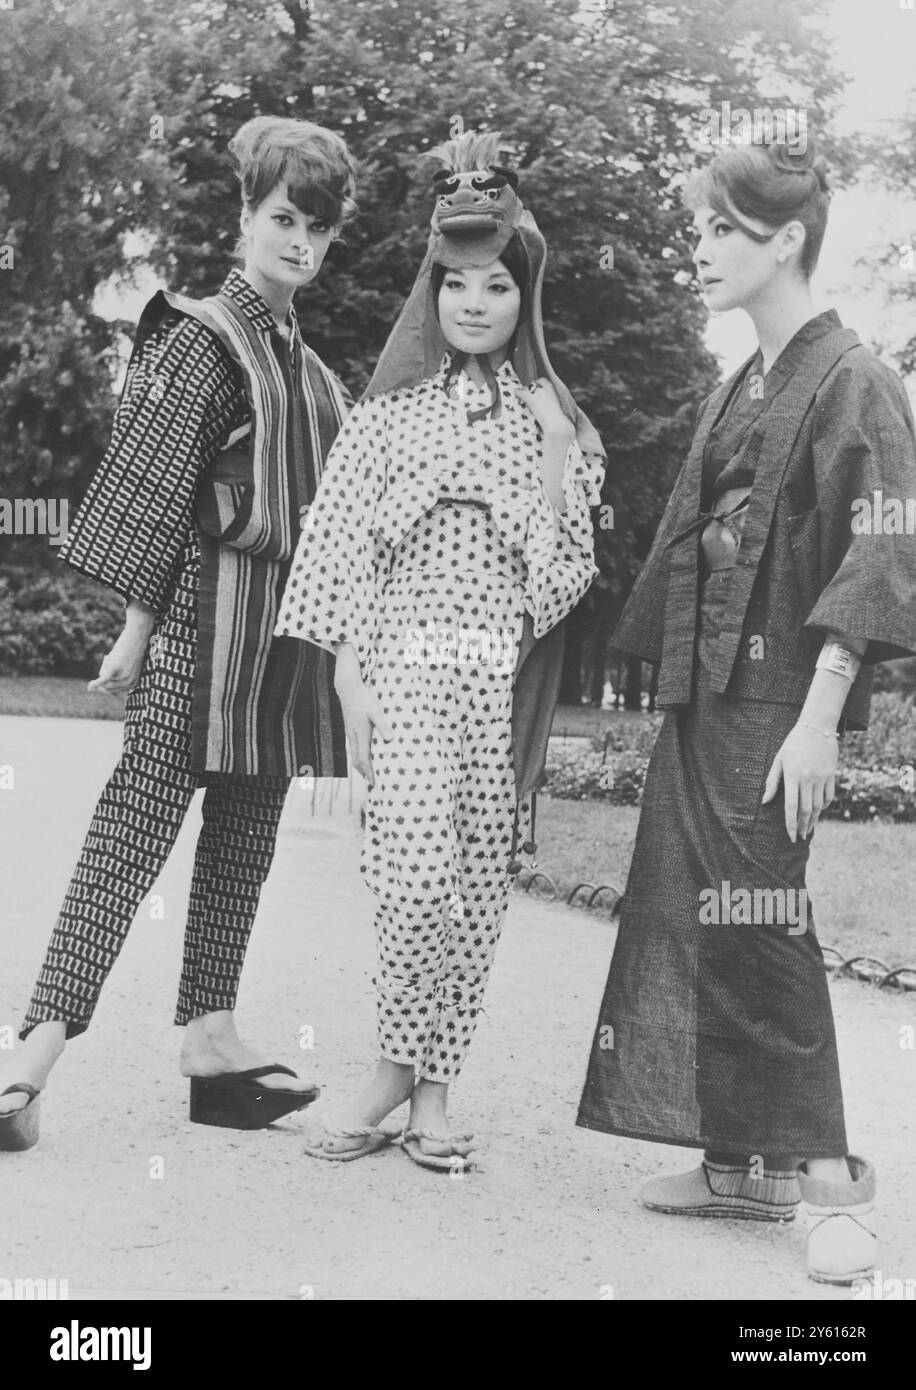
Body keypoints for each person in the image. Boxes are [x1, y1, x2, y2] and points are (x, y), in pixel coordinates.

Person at [576, 137, 916, 1284]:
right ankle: (738, 1165)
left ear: (786, 240)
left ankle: (828, 1184)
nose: (701, 248)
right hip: (707, 694)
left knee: (761, 920)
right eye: (699, 226)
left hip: (779, 700)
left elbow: (880, 545)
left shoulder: (854, 375)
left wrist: (818, 719)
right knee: (697, 914)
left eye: (721, 227)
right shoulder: (742, 381)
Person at [0, 116, 357, 1150]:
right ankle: (30, 1059)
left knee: (244, 839)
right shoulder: (201, 336)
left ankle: (210, 1041)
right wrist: (136, 627)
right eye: (284, 218)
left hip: (282, 640)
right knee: (132, 830)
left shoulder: (316, 374)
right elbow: (158, 490)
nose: (300, 242)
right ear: (247, 215)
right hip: (202, 620)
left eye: (318, 228)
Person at [275, 131, 605, 1170]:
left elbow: (559, 583)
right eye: (456, 282)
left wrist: (556, 452)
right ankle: (388, 1068)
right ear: (432, 291)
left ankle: (433, 1095)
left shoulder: (552, 425)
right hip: (405, 672)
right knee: (413, 882)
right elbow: (335, 546)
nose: (473, 302)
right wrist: (348, 679)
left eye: (496, 284)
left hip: (494, 687)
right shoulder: (387, 416)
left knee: (474, 893)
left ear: (523, 298)